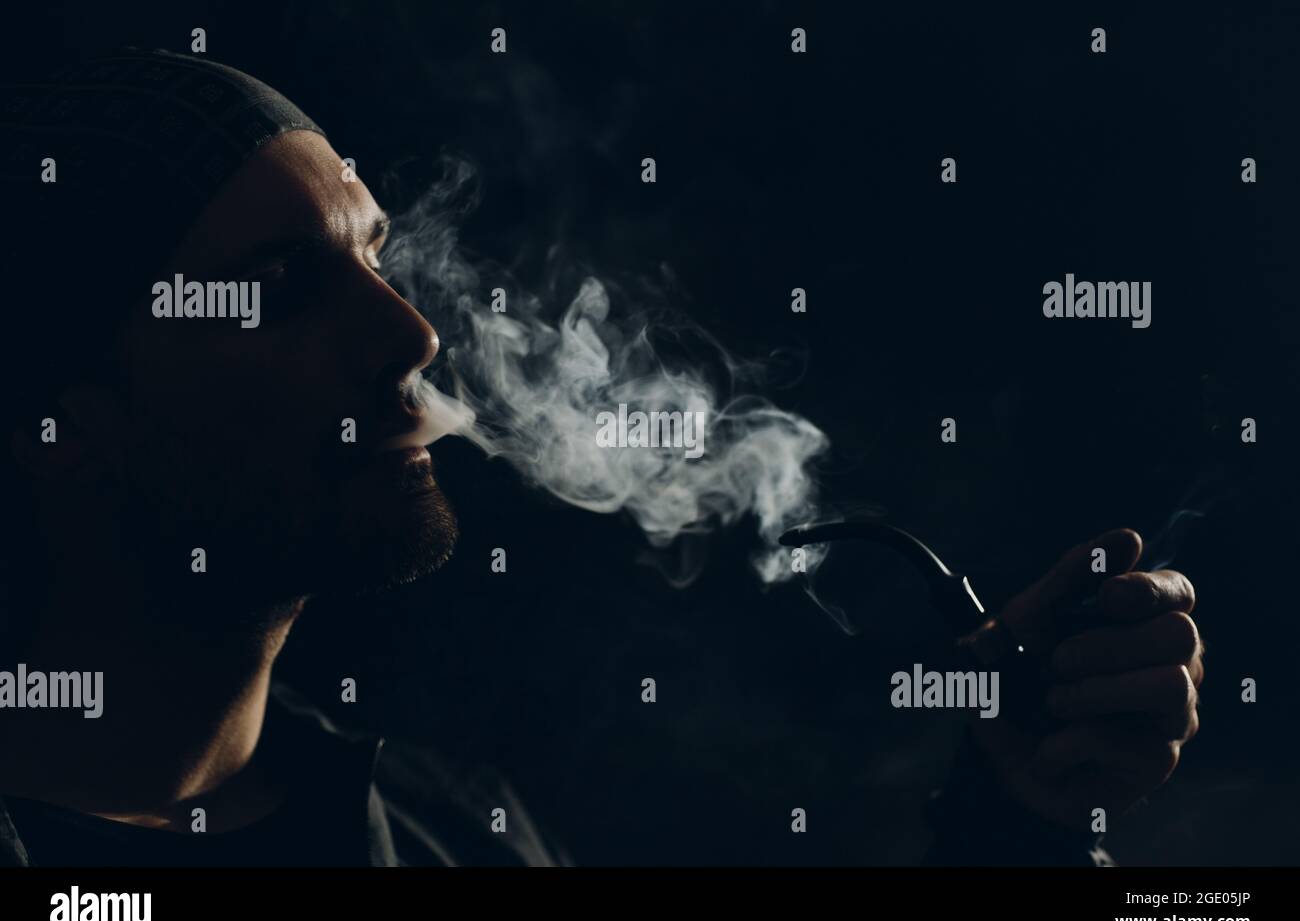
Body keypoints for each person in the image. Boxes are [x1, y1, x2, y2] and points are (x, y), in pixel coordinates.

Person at [0, 49, 1203, 866]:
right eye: (278, 290)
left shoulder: (457, 831)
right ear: (67, 422)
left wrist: (1017, 822)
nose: (410, 333)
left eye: (373, 255)